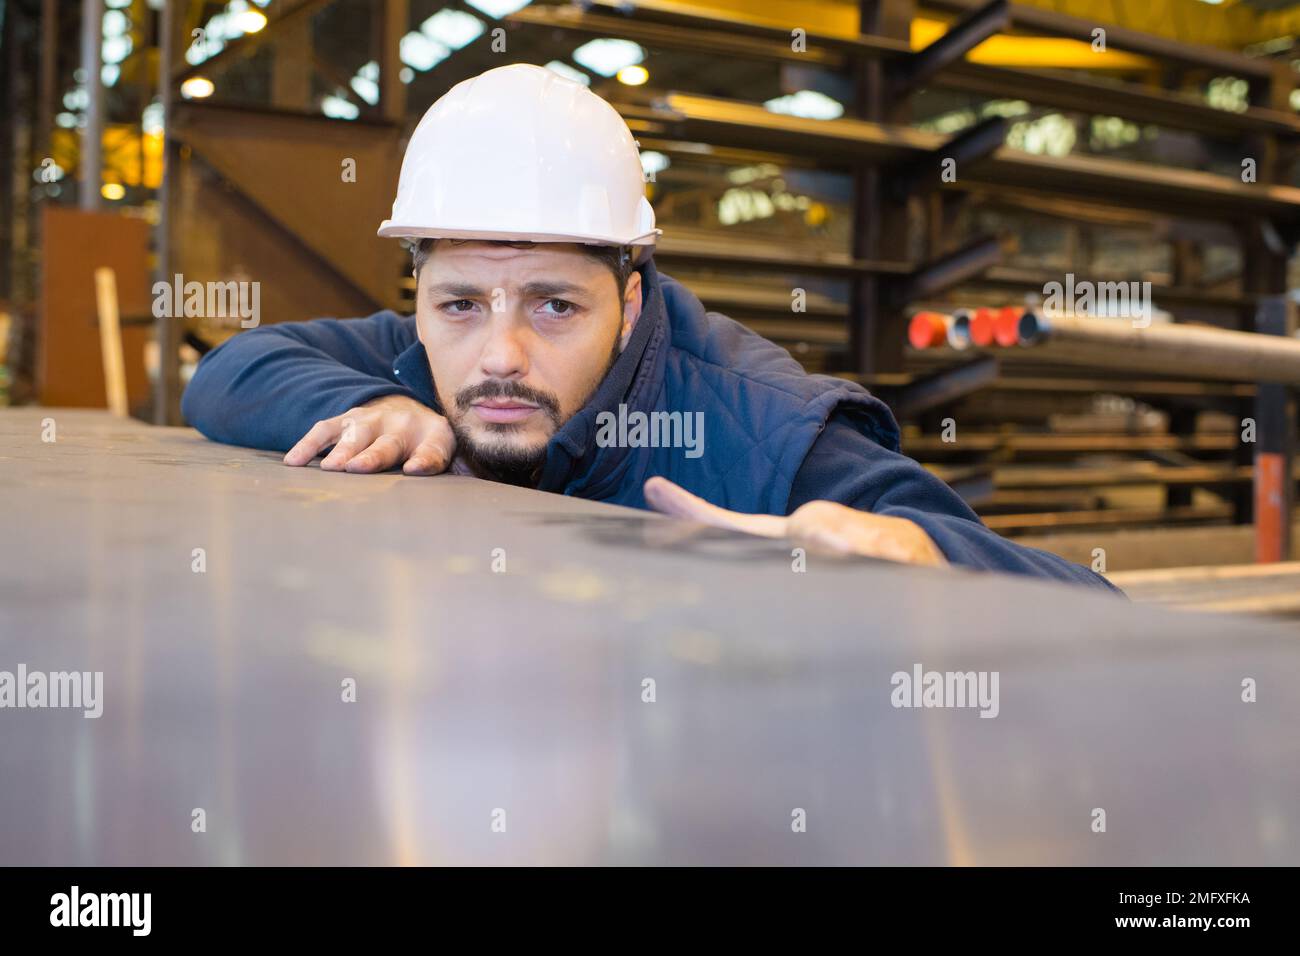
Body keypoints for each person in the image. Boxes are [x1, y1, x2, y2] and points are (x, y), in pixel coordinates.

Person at [182, 64, 1118, 593]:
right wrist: (380, 402)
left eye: (555, 305)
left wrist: (928, 557)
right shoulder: (419, 359)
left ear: (631, 301)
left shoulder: (773, 434)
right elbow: (230, 369)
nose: (498, 355)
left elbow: (1096, 605)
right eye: (460, 304)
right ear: (422, 293)